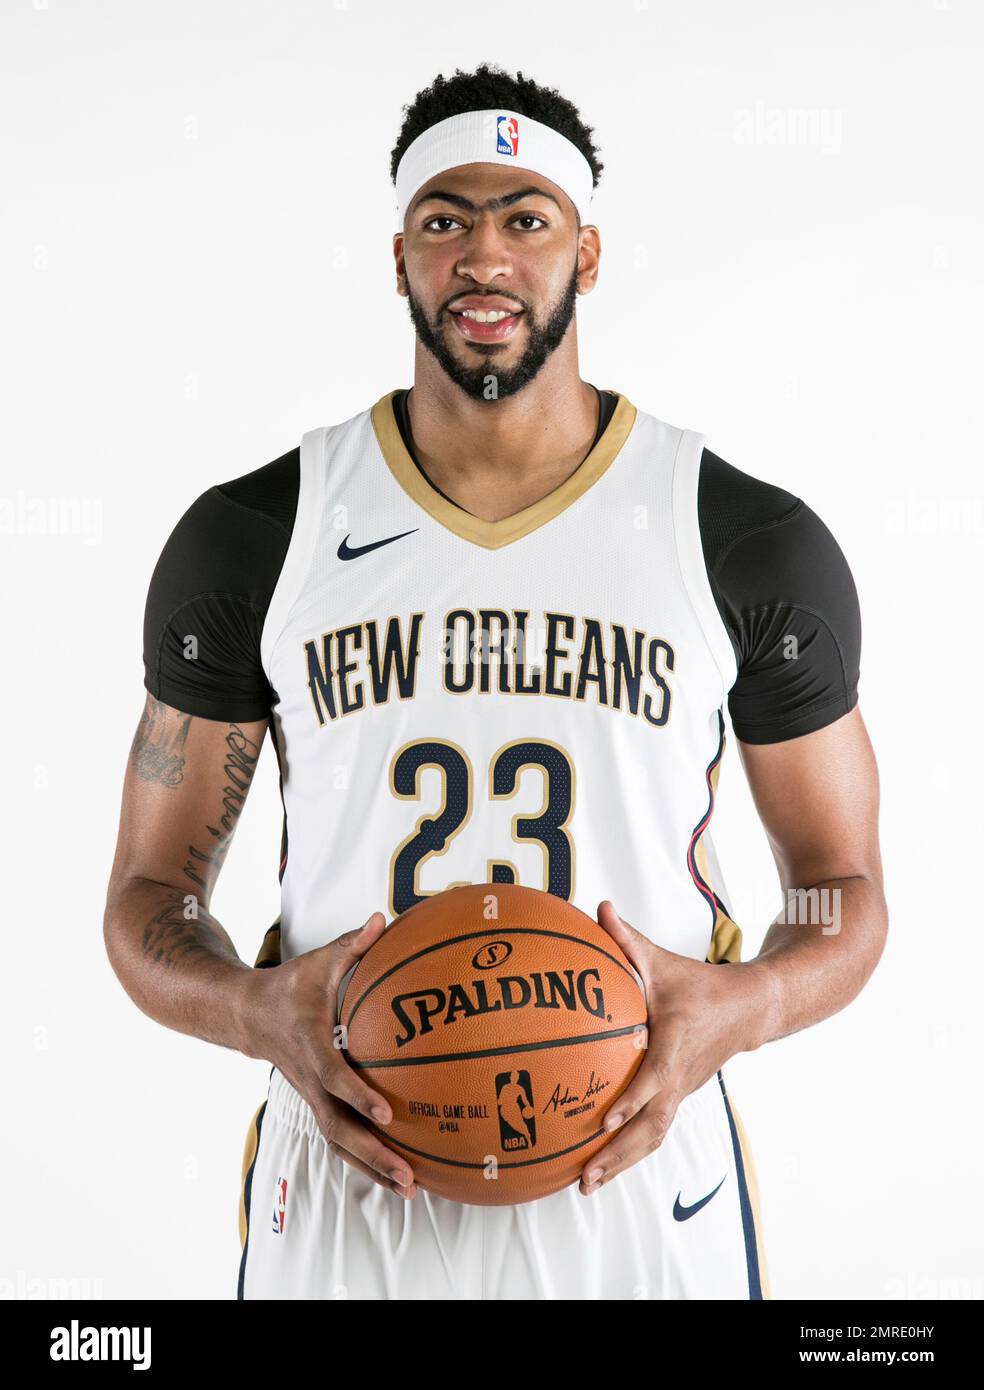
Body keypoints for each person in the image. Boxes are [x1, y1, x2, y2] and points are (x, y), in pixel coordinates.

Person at [103, 63, 887, 1300]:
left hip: (639, 1183)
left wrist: (736, 1011)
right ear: (399, 253)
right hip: (350, 1190)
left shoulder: (740, 536)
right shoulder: (261, 533)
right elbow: (149, 896)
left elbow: (844, 894)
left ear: (586, 251)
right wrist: (258, 1012)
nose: (485, 256)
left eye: (526, 219)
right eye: (446, 218)